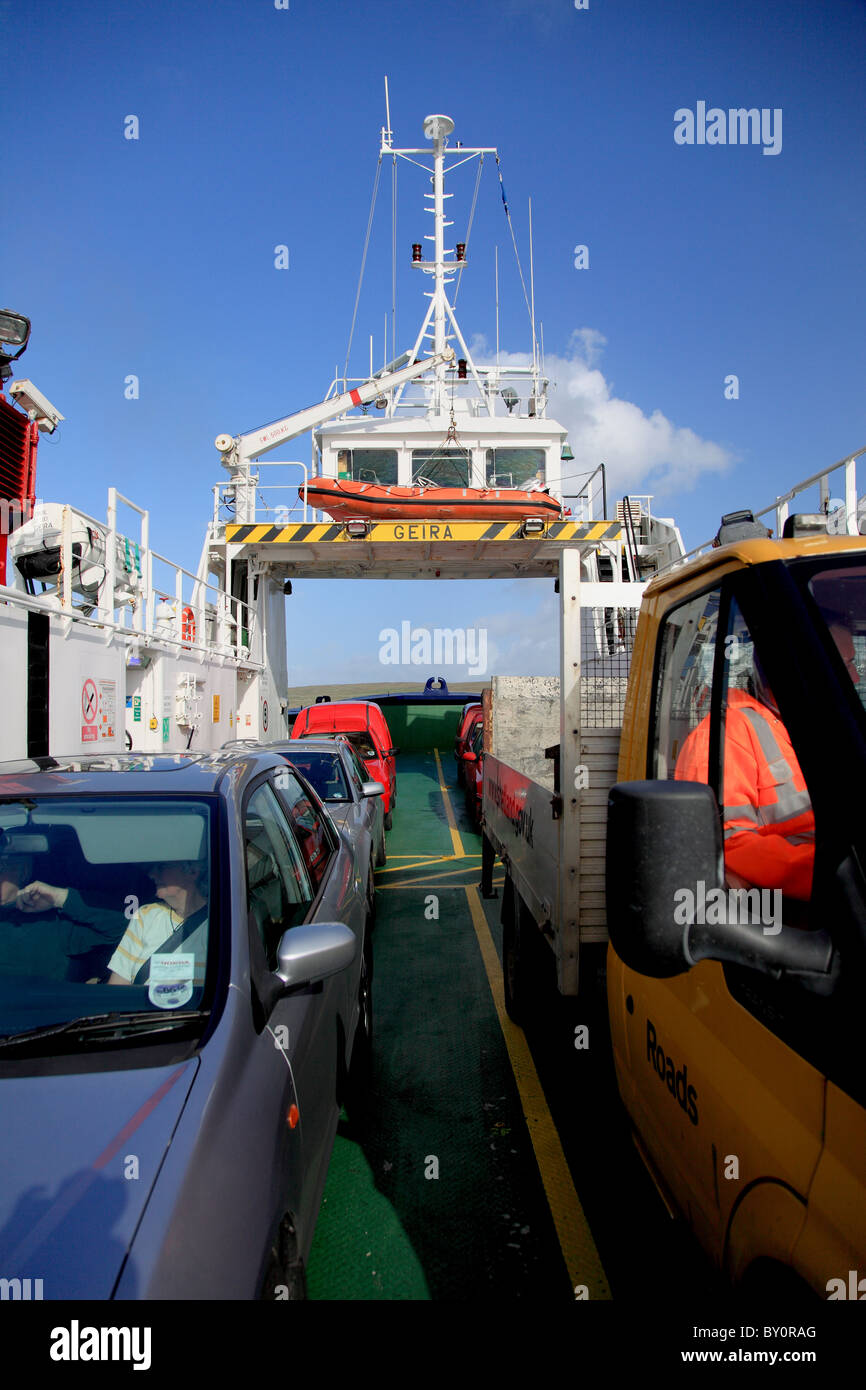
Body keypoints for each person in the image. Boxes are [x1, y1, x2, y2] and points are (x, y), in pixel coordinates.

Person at [675, 622, 857, 902]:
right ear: (802, 668)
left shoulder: (817, 730)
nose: (856, 678)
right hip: (797, 923)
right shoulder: (729, 734)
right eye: (847, 664)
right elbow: (726, 845)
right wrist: (846, 875)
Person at [0, 852, 124, 980]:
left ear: (24, 871)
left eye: (1, 868)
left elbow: (129, 926)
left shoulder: (50, 923)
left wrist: (59, 898)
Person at [107, 860, 208, 986]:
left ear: (193, 872)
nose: (152, 874)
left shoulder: (222, 925)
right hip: (138, 1005)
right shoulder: (146, 916)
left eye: (161, 867)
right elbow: (118, 986)